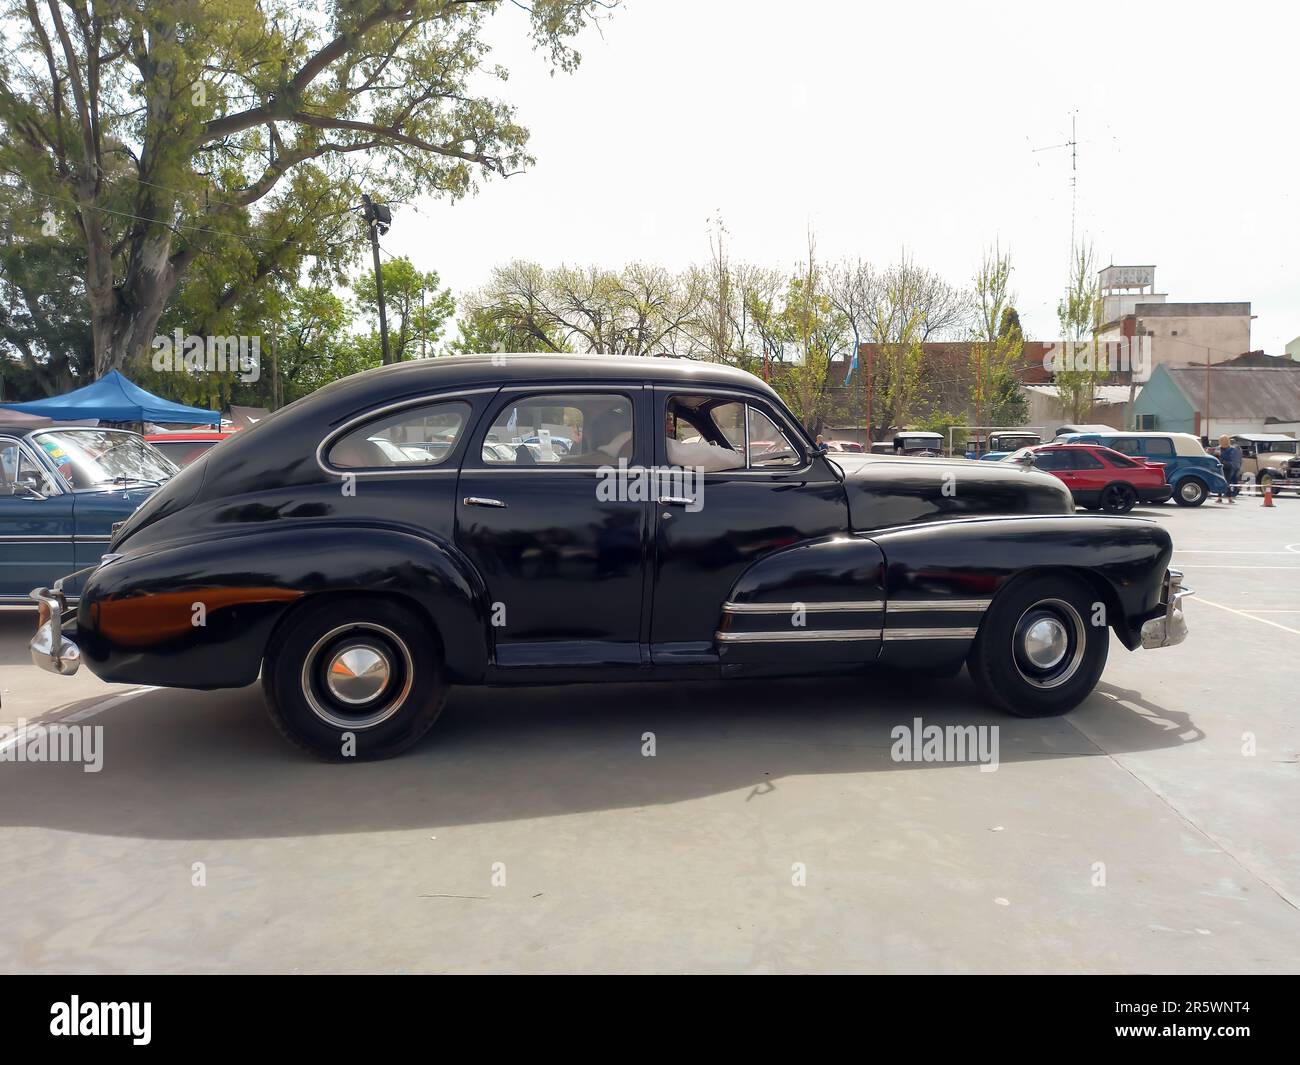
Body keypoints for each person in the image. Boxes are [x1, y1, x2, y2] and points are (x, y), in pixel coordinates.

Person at [1216, 434, 1241, 504]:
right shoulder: (1218, 448)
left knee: (1227, 483)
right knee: (1220, 482)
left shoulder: (1232, 449)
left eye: (1224, 440)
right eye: (1221, 440)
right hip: (1219, 467)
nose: (1222, 442)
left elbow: (1233, 459)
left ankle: (1229, 498)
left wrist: (1221, 456)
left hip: (1228, 468)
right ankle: (1219, 498)